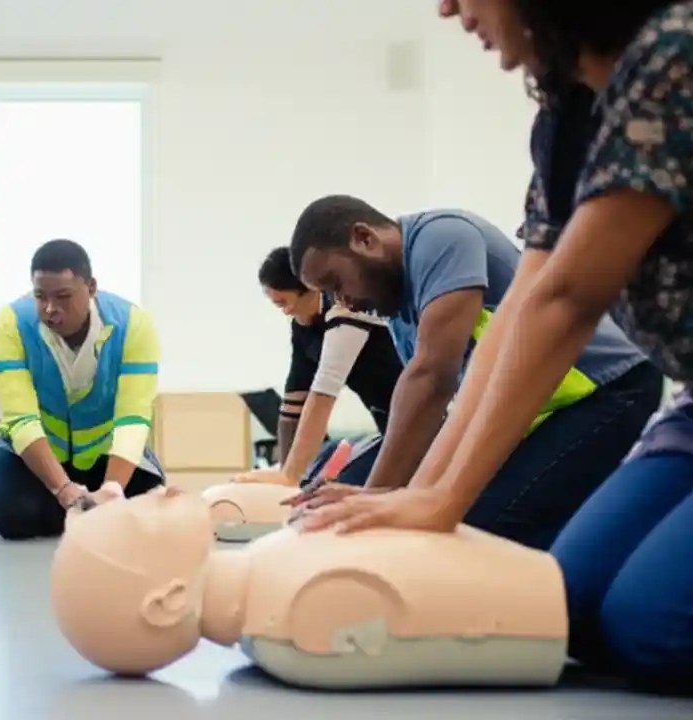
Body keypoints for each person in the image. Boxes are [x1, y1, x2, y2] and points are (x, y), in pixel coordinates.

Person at [305, 0, 693, 694]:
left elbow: (565, 302)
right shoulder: (566, 118)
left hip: (621, 390)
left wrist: (440, 499)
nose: (448, 8)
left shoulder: (674, 55)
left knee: (652, 628)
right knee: (563, 608)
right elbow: (520, 315)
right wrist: (422, 499)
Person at [286, 195, 664, 550]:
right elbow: (437, 417)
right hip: (546, 408)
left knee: (475, 528)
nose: (342, 302)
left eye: (336, 284)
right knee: (380, 498)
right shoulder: (400, 312)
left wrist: (376, 496)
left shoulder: (443, 236)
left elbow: (433, 378)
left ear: (364, 238)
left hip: (611, 387)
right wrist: (377, 491)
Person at [0, 239, 164, 540]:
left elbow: (132, 418)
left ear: (91, 287)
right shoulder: (9, 324)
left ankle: (89, 509)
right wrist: (64, 489)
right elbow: (21, 419)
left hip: (106, 452)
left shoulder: (133, 324)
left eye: (63, 296)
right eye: (40, 296)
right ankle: (75, 512)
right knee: (13, 517)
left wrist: (112, 490)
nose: (51, 309)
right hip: (36, 454)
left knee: (150, 509)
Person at [252, 246, 402, 486]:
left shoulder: (345, 309)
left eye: (284, 303)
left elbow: (324, 393)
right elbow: (294, 400)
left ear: (308, 287)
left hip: (420, 414)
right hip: (388, 418)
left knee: (353, 482)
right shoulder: (302, 326)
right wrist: (285, 469)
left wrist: (290, 476)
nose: (285, 312)